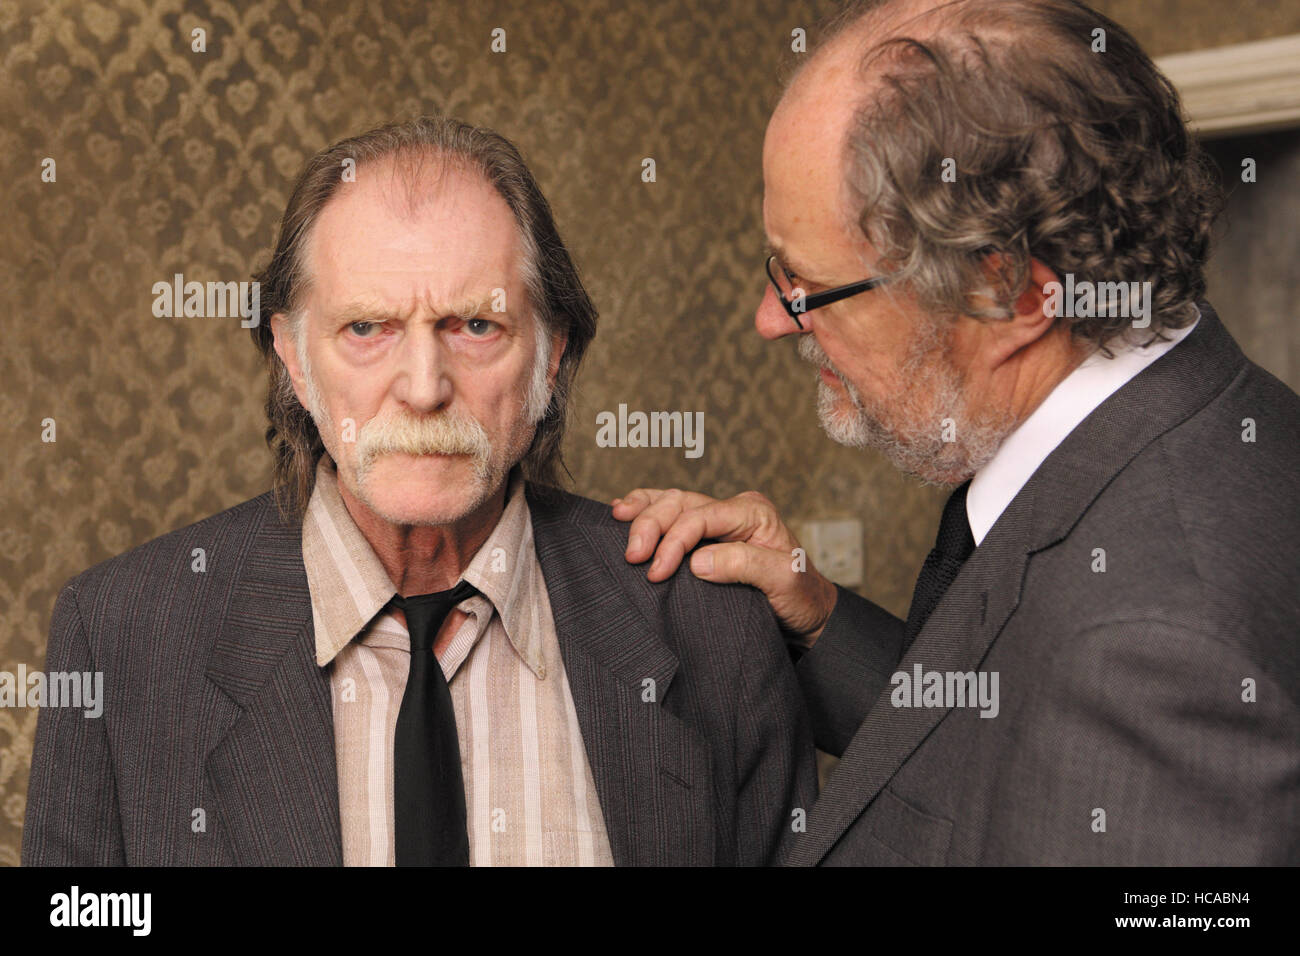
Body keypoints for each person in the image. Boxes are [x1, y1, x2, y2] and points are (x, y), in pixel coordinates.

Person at [23, 116, 814, 867]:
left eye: (476, 325)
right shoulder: (121, 637)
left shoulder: (711, 625)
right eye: (367, 329)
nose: (424, 387)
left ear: (552, 356)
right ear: (293, 360)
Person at [614, 0, 1300, 864]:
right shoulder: (1211, 422)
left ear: (1005, 292)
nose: (769, 320)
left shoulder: (1157, 659)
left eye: (805, 284)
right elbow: (1012, 754)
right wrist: (823, 626)